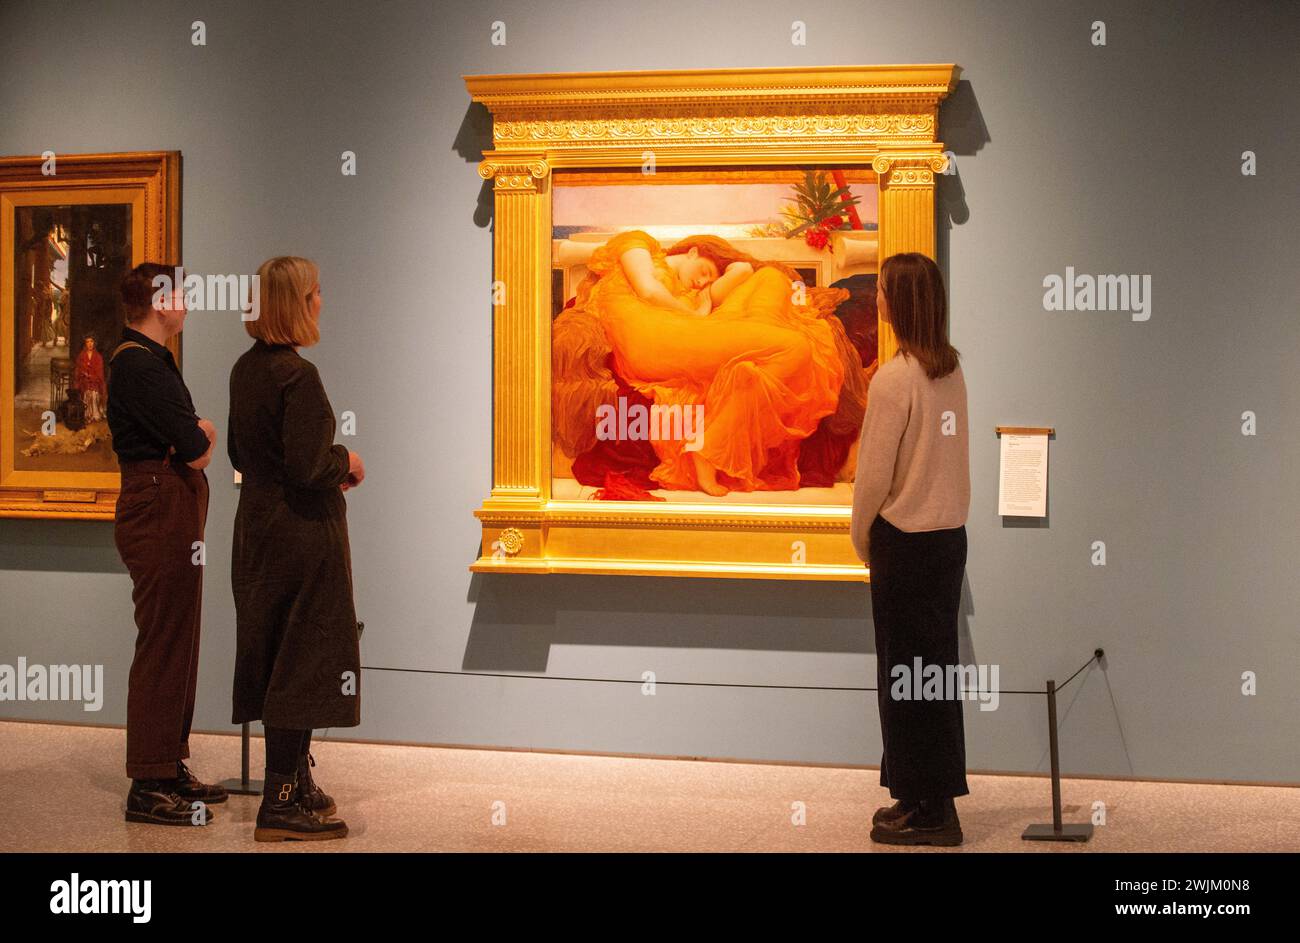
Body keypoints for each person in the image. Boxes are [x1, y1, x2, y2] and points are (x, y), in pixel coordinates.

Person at [228, 255, 364, 842]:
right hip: (303, 533)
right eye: (315, 292)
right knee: (303, 656)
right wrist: (348, 461)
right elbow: (311, 463)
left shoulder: (245, 369)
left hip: (257, 528)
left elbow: (238, 453)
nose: (321, 302)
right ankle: (280, 800)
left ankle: (294, 783)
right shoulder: (297, 376)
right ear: (298, 303)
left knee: (278, 648)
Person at [557, 230, 844, 495]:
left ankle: (717, 429)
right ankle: (709, 448)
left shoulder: (691, 295)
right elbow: (648, 290)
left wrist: (736, 271)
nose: (703, 281)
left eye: (710, 280)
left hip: (683, 335)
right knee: (794, 347)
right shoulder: (638, 245)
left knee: (769, 277)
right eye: (706, 271)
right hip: (653, 341)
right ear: (693, 252)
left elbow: (727, 290)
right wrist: (695, 313)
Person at [849, 252, 971, 846]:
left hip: (904, 540)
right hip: (947, 541)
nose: (877, 300)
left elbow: (873, 476)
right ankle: (924, 795)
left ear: (897, 302)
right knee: (934, 675)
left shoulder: (894, 378)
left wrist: (860, 533)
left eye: (881, 292)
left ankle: (931, 812)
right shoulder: (950, 371)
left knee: (903, 675)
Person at [107, 261, 225, 826]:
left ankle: (167, 763)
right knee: (164, 639)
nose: (187, 303)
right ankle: (148, 781)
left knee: (180, 636)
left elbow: (191, 446)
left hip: (168, 500)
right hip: (158, 503)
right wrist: (199, 433)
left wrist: (194, 439)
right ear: (159, 302)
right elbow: (195, 445)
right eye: (181, 294)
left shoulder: (153, 361)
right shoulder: (140, 366)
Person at [74, 335, 106, 422]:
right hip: (83, 381)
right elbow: (78, 370)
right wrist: (83, 374)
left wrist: (92, 377)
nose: (90, 344)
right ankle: (86, 414)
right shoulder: (81, 356)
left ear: (94, 343)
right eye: (87, 342)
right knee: (86, 389)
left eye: (91, 341)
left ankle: (95, 414)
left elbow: (100, 373)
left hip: (95, 381)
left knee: (93, 391)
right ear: (85, 344)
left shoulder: (98, 357)